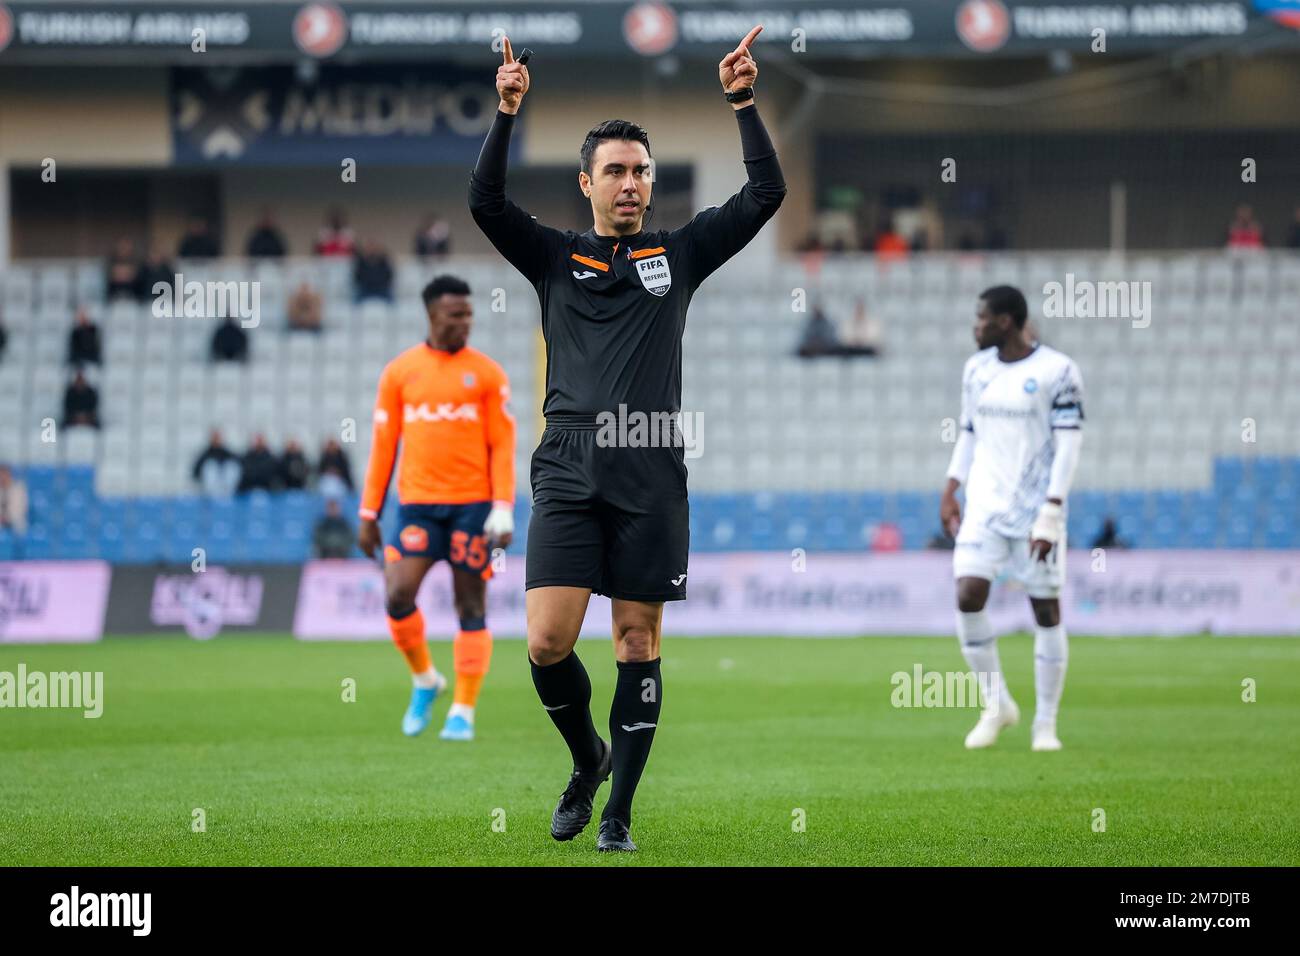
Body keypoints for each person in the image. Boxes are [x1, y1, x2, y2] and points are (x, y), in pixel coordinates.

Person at [468, 28, 784, 852]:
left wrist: (743, 103)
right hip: (568, 463)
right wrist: (506, 113)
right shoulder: (553, 256)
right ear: (586, 183)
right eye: (615, 170)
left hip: (650, 465)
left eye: (642, 170)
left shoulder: (678, 255)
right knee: (546, 641)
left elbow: (764, 196)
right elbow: (486, 205)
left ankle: (618, 814)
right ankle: (587, 760)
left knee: (637, 641)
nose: (632, 183)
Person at [357, 275, 516, 744]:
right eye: (456, 314)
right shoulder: (400, 373)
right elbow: (383, 448)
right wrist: (369, 514)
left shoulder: (487, 374)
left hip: (472, 506)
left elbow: (502, 444)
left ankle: (463, 709)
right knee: (397, 594)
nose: (465, 322)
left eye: (468, 314)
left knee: (470, 604)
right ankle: (426, 679)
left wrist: (502, 506)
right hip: (418, 507)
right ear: (432, 315)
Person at [939, 285, 1084, 754]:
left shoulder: (1057, 371)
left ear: (1005, 322)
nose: (975, 326)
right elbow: (968, 430)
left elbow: (1069, 444)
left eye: (981, 318)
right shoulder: (976, 370)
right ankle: (996, 704)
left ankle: (1046, 724)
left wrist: (1053, 509)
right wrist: (951, 486)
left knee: (1045, 610)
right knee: (967, 595)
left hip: (1036, 511)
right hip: (984, 505)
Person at [192, 429, 241, 497]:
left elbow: (238, 464)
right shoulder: (205, 454)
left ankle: (226, 494)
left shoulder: (226, 453)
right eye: (215, 437)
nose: (217, 440)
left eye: (218, 437)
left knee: (231, 465)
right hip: (211, 487)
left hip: (226, 486)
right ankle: (213, 494)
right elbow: (196, 472)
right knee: (211, 465)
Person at [0, 464, 29, 540]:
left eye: (4, 475)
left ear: (9, 474)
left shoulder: (18, 488)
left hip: (15, 523)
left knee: (20, 529)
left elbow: (21, 509)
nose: (2, 478)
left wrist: (8, 518)